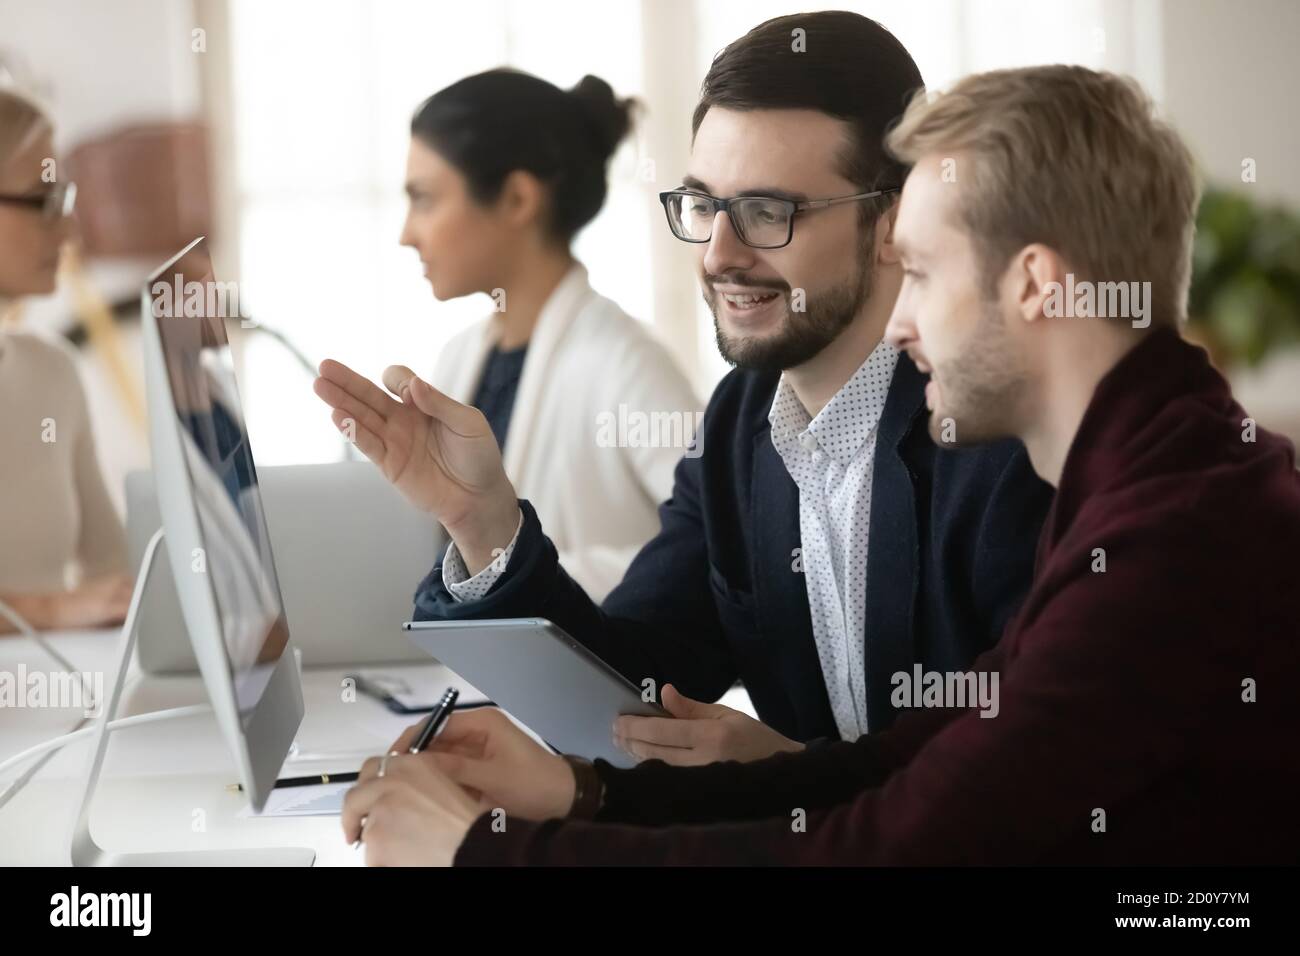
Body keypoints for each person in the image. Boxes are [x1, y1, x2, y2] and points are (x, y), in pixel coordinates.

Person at [339, 63, 1300, 866]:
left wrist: (484, 853)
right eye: (704, 206)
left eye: (920, 273)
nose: (905, 317)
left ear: (1034, 284)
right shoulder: (1139, 479)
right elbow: (907, 766)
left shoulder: (1155, 530)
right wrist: (584, 794)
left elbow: (898, 843)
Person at [314, 12, 1052, 767]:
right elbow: (634, 683)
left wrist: (787, 777)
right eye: (704, 206)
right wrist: (482, 520)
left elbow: (1021, 766)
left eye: (768, 213)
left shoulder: (995, 431)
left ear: (892, 221)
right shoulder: (739, 424)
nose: (719, 256)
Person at [393, 69, 699, 601]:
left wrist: (530, 577)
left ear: (516, 199)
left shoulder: (627, 366)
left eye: (424, 199)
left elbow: (721, 548)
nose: (406, 234)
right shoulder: (459, 358)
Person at [0, 88, 130, 634]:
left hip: (52, 706)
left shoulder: (51, 371)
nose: (71, 231)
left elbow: (115, 573)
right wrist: (50, 610)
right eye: (45, 200)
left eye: (66, 198)